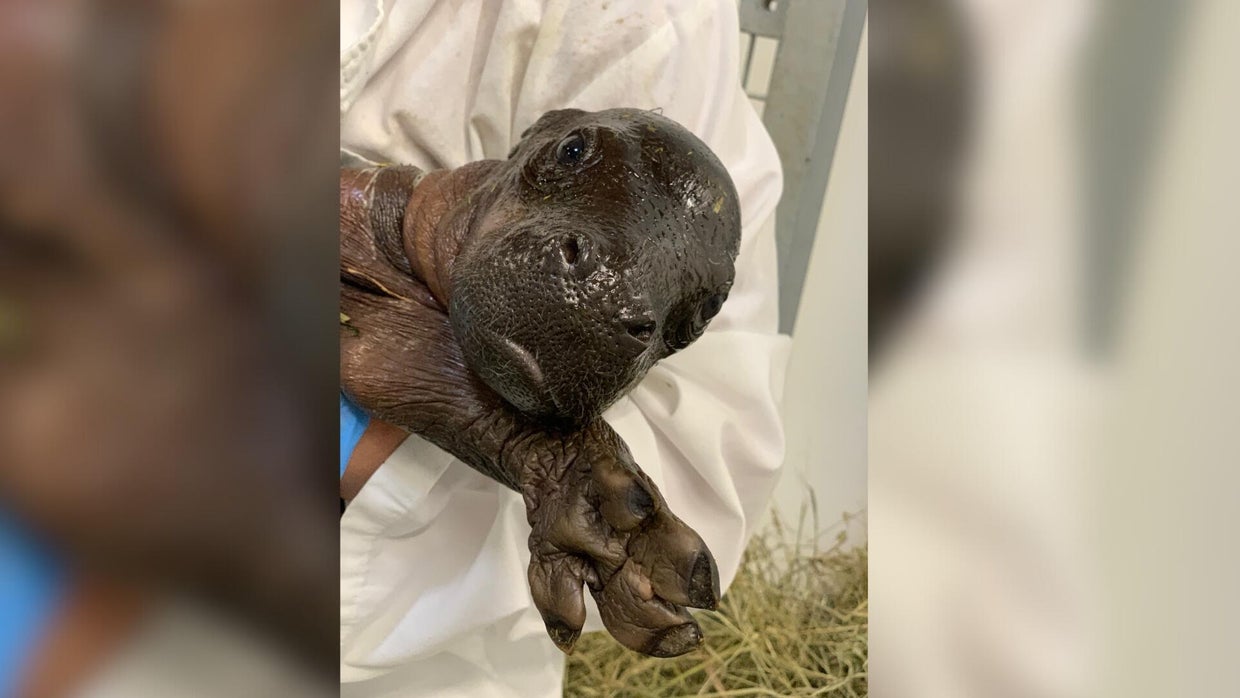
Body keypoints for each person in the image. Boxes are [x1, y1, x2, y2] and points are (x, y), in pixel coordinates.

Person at [338, 1, 789, 695]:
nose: (604, 277)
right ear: (537, 139)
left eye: (676, 321)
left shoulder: (650, 25)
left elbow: (706, 457)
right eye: (571, 156)